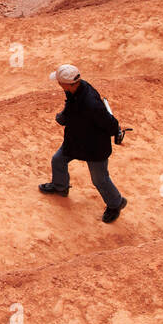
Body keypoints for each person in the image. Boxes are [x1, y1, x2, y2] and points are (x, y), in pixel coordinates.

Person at [39, 64, 128, 223]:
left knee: (100, 179)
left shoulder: (91, 103)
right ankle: (60, 186)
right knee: (58, 160)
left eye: (59, 81)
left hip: (94, 146)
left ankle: (116, 203)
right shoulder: (75, 89)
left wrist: (116, 131)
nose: (58, 84)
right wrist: (64, 116)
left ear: (66, 84)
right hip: (76, 139)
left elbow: (109, 122)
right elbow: (71, 107)